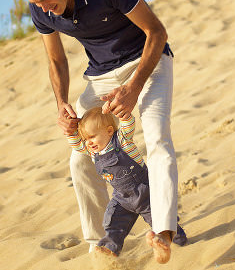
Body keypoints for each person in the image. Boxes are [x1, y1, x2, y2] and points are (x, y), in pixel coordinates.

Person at [18, 0, 181, 263]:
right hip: (101, 76)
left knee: (158, 140)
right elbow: (56, 59)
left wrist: (133, 89)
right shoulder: (40, 8)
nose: (42, 7)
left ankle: (163, 231)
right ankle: (100, 244)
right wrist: (62, 104)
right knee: (80, 158)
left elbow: (157, 32)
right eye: (35, 2)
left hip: (148, 61)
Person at [67, 107, 187, 261]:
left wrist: (124, 116)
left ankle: (177, 243)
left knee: (161, 219)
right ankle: (109, 249)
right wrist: (71, 132)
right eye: (86, 139)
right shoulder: (93, 152)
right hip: (121, 198)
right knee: (112, 223)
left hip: (143, 192)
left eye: (92, 137)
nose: (88, 142)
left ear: (109, 131)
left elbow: (128, 125)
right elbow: (77, 145)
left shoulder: (122, 141)